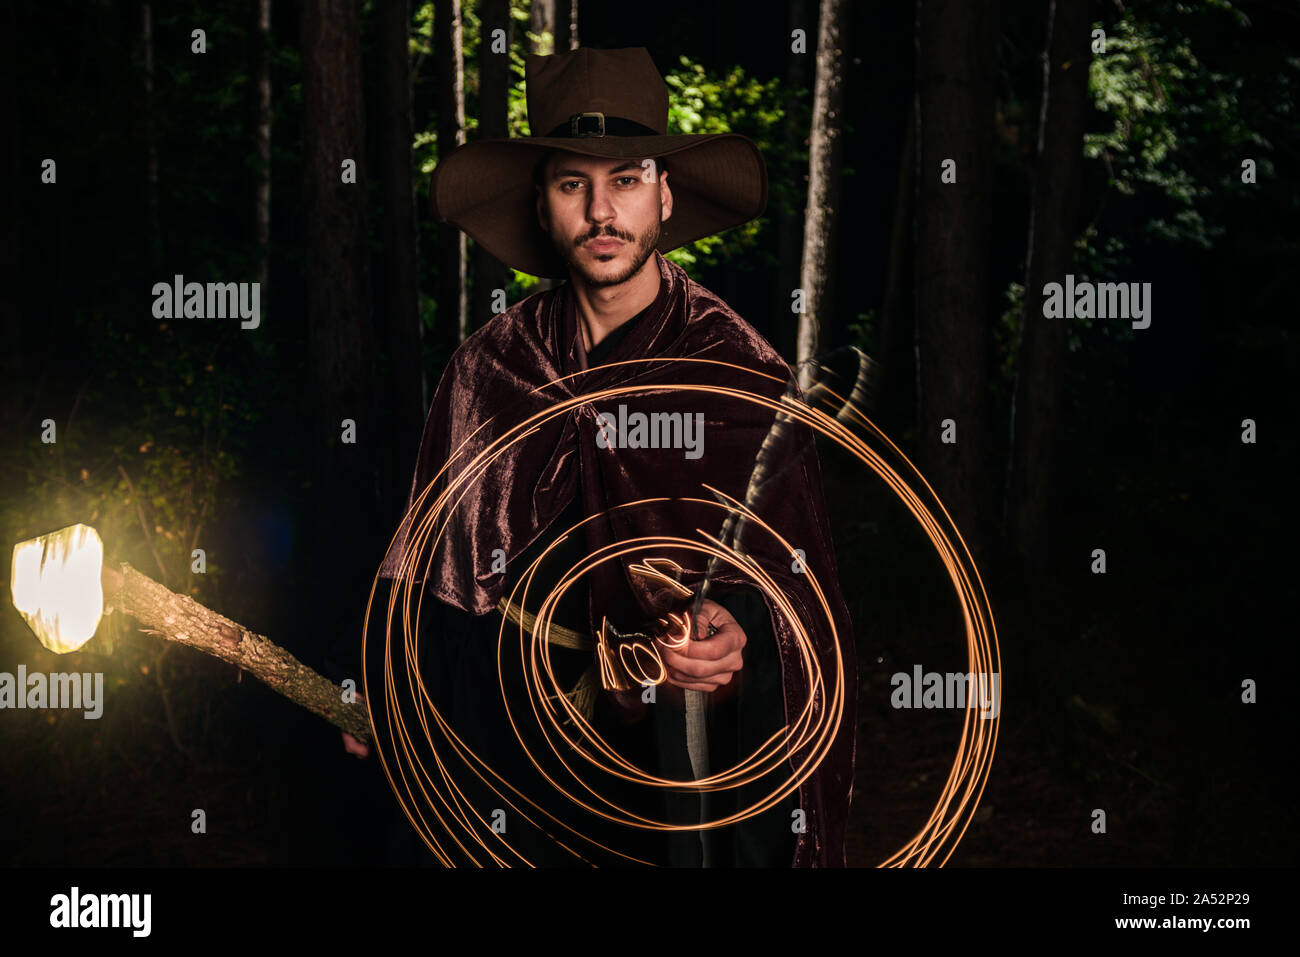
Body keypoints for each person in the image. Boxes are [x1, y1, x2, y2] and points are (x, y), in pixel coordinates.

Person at [348, 46, 857, 867]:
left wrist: (741, 637)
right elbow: (432, 576)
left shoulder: (738, 372)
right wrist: (382, 678)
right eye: (572, 183)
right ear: (543, 206)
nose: (601, 211)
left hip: (671, 782)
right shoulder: (489, 369)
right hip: (513, 755)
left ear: (664, 192)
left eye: (625, 179)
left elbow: (798, 595)